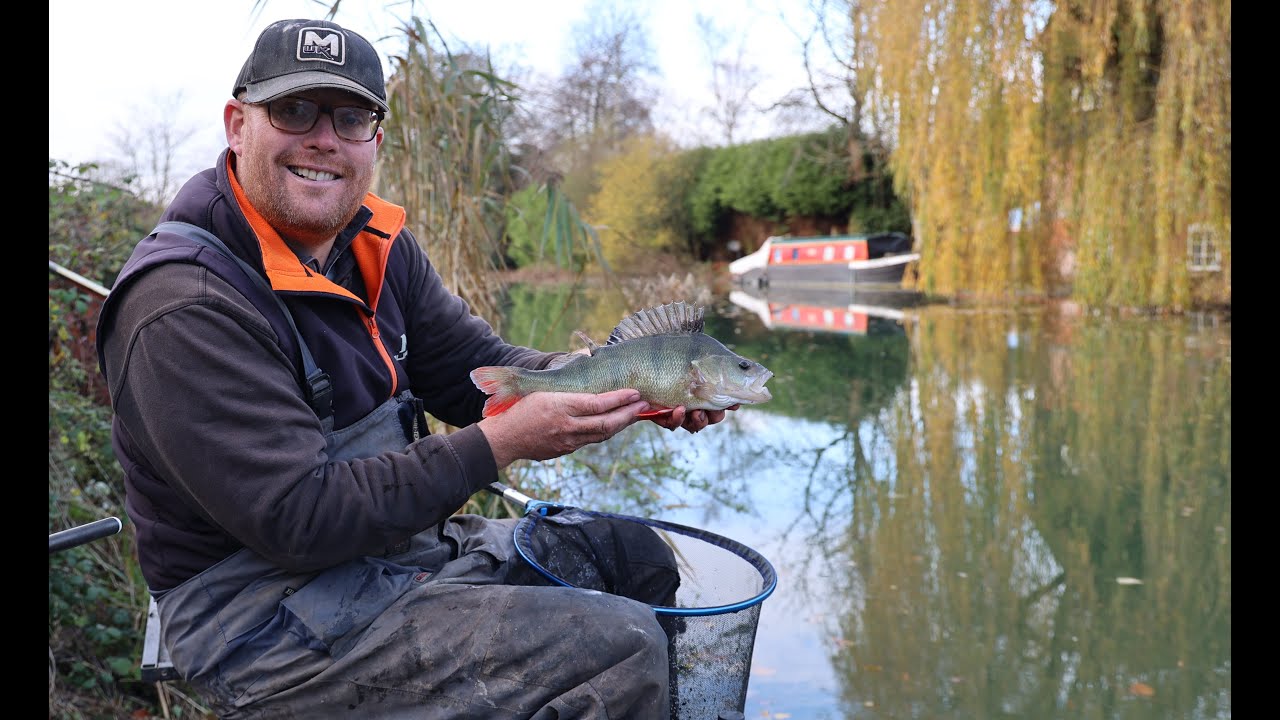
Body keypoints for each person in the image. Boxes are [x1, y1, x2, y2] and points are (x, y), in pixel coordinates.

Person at [95, 18, 735, 719]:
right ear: (237, 124)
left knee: (633, 557)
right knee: (619, 650)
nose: (323, 139)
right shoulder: (182, 306)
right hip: (257, 620)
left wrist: (605, 378)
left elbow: (472, 368)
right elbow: (300, 518)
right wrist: (505, 443)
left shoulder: (374, 243)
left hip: (391, 556)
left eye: (351, 117)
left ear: (376, 139)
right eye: (294, 110)